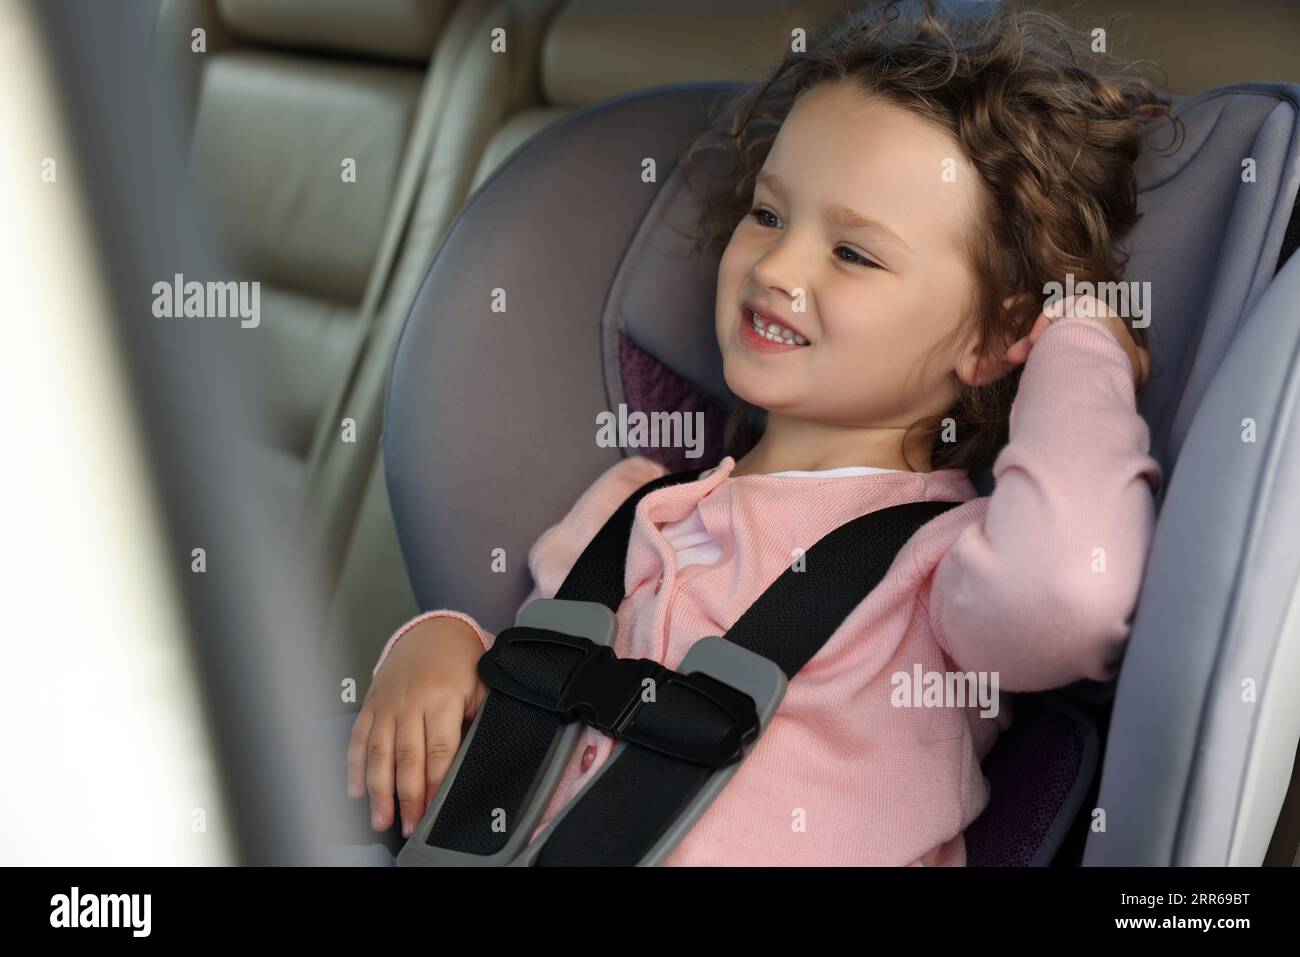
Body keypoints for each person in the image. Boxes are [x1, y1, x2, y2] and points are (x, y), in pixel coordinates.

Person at [344, 0, 1177, 865]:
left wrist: (1079, 339)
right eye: (768, 215)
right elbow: (542, 700)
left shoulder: (942, 568)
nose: (776, 268)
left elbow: (1071, 597)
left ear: (990, 338)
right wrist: (440, 646)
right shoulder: (634, 505)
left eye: (854, 254)